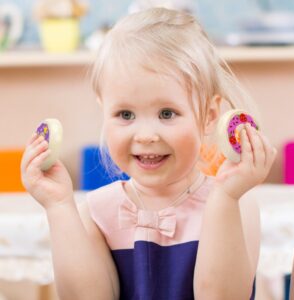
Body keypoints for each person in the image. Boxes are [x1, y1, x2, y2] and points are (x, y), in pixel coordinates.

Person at [21, 7, 277, 300]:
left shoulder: (236, 202)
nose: (145, 135)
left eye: (167, 113)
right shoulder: (95, 214)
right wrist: (58, 207)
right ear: (102, 110)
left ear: (208, 115)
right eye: (125, 114)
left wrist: (225, 198)